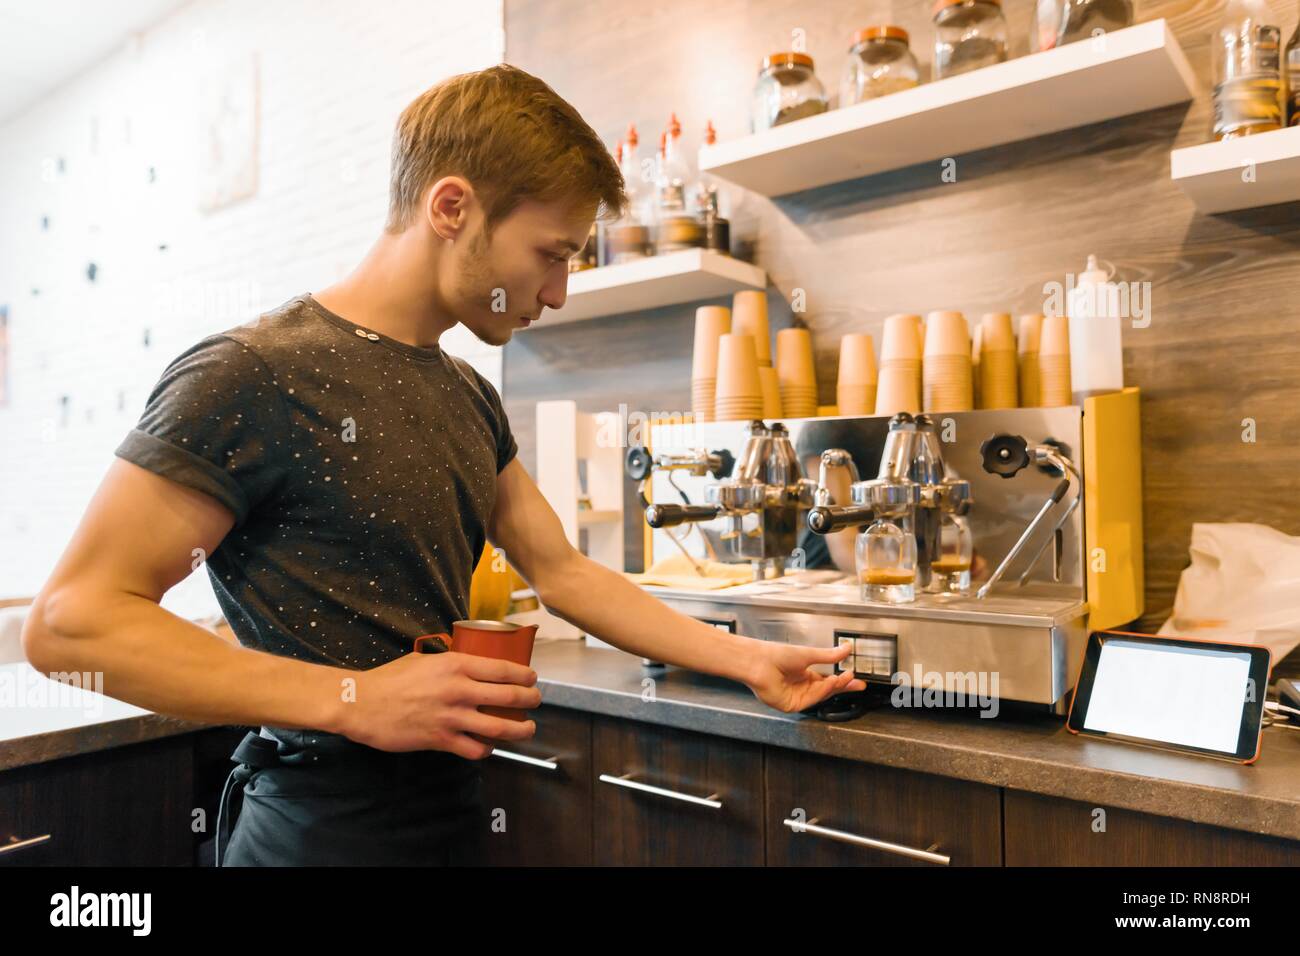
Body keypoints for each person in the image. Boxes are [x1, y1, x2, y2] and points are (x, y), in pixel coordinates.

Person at [21, 64, 864, 866]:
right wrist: (352, 697)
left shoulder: (466, 392)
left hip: (449, 814)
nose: (561, 291)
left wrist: (748, 658)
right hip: (314, 831)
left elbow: (564, 572)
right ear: (452, 207)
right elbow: (70, 623)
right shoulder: (251, 373)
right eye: (551, 253)